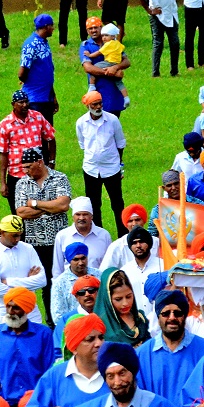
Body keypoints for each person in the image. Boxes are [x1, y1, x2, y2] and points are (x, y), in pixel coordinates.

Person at [14, 146, 72, 324]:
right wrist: (49, 207)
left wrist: (34, 203)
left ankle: (61, 319)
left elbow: (63, 206)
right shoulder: (22, 183)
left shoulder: (60, 178)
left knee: (60, 280)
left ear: (40, 162)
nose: (25, 171)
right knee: (44, 282)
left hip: (58, 240)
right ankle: (49, 320)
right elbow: (21, 212)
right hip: (35, 243)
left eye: (29, 167)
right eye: (23, 167)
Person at [0, 287, 55, 407]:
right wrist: (1, 403)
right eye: (8, 306)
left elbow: (49, 372)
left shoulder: (43, 334)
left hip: (37, 404)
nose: (11, 312)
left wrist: (38, 399)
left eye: (16, 307)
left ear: (26, 309)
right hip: (5, 405)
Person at [0, 89, 57, 215]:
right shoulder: (5, 125)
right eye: (21, 102)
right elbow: (3, 154)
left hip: (38, 174)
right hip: (16, 175)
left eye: (26, 102)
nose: (25, 105)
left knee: (42, 210)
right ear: (13, 105)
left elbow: (51, 138)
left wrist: (51, 162)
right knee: (19, 214)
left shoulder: (37, 117)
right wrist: (3, 183)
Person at [77, 92, 127, 236]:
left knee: (117, 204)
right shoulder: (81, 123)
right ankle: (97, 235)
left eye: (100, 103)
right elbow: (83, 144)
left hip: (111, 168)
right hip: (91, 169)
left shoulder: (112, 120)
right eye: (95, 104)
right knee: (94, 205)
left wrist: (119, 163)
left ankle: (123, 236)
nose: (98, 107)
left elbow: (120, 143)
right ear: (88, 106)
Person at [0, 214, 48, 325]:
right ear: (2, 232)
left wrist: (9, 282)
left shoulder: (28, 249)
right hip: (5, 315)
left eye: (20, 235)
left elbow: (42, 280)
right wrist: (28, 283)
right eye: (14, 236)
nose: (18, 239)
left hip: (31, 314)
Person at [137, 0, 181, 78]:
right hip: (158, 15)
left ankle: (174, 71)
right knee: (158, 43)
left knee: (175, 42)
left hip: (171, 12)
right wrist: (150, 11)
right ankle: (155, 73)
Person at [53, 197, 113, 280]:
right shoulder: (62, 236)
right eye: (78, 214)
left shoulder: (104, 235)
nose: (81, 218)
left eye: (85, 214)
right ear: (73, 217)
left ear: (91, 216)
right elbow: (57, 268)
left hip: (98, 285)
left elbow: (110, 264)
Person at [93, 268, 151, 346]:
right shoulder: (100, 325)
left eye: (128, 297)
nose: (125, 303)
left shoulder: (140, 318)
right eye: (118, 299)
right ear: (108, 299)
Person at [18, 14, 57, 123]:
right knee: (37, 135)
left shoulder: (44, 42)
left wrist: (53, 96)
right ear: (46, 27)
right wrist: (30, 81)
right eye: (51, 26)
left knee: (48, 134)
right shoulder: (31, 44)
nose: (53, 28)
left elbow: (46, 71)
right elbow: (22, 72)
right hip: (35, 99)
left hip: (46, 96)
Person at [51, 243, 103, 324]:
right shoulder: (59, 284)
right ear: (69, 260)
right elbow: (58, 316)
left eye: (83, 258)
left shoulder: (99, 275)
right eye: (76, 259)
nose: (81, 263)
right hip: (75, 326)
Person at [101, 204, 160, 272]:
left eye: (137, 220)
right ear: (125, 224)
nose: (134, 224)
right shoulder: (117, 246)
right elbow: (105, 272)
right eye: (130, 221)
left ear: (144, 221)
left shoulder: (156, 242)